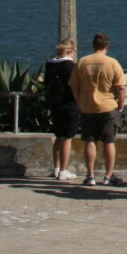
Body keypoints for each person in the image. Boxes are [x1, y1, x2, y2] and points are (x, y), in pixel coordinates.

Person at [69, 32, 126, 186]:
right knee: (109, 141)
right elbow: (121, 87)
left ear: (94, 45)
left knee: (89, 140)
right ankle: (108, 176)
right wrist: (121, 105)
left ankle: (90, 175)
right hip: (108, 106)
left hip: (87, 107)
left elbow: (73, 85)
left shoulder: (82, 62)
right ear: (106, 46)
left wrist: (80, 101)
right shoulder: (112, 63)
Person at [43, 38, 80, 180]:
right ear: (71, 51)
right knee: (67, 138)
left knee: (58, 137)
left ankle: (57, 168)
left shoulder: (50, 65)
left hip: (55, 104)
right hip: (69, 105)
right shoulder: (70, 66)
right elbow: (75, 86)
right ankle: (63, 170)